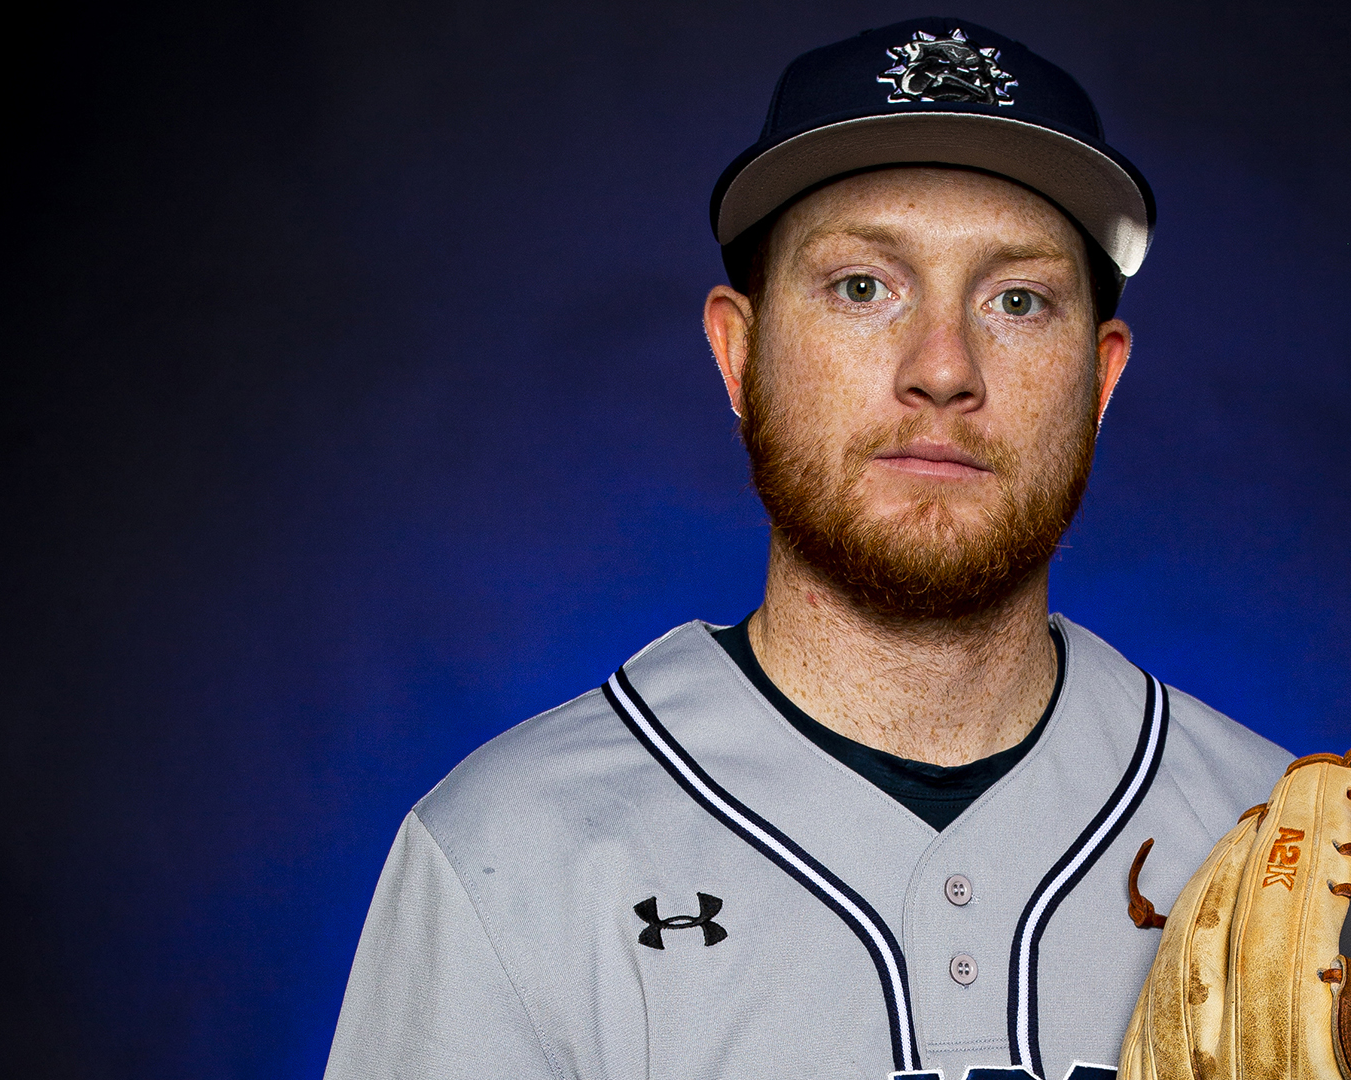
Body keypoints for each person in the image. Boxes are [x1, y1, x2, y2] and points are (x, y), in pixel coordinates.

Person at [325, 18, 1290, 1080]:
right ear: (739, 356)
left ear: (1100, 380)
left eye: (1017, 300)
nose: (941, 368)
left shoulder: (1280, 849)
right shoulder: (509, 861)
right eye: (862, 287)